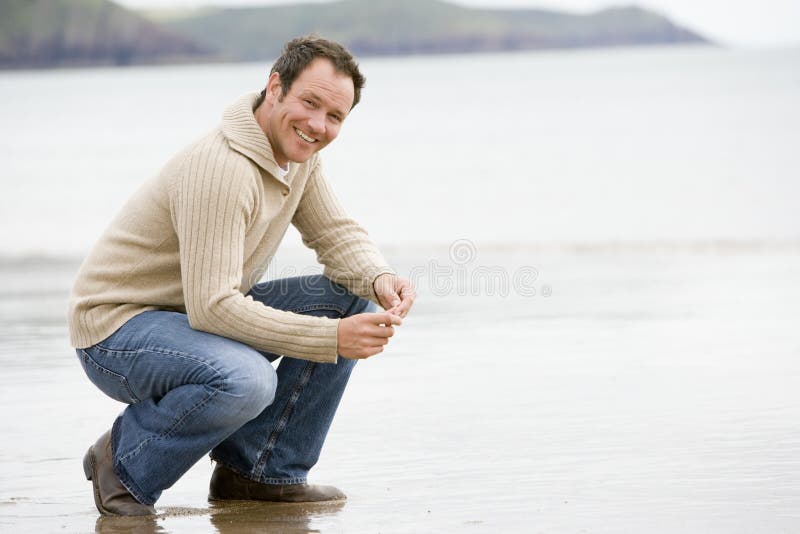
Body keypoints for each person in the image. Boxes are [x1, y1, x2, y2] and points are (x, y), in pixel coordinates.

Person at [67, 35, 415, 516]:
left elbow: (335, 235)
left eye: (334, 116)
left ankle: (258, 472)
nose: (318, 125)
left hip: (187, 319)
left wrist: (379, 277)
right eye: (309, 103)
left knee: (351, 299)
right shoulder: (223, 168)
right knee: (248, 380)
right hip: (117, 332)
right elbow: (213, 307)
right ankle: (122, 462)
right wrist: (330, 337)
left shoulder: (299, 156)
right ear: (275, 87)